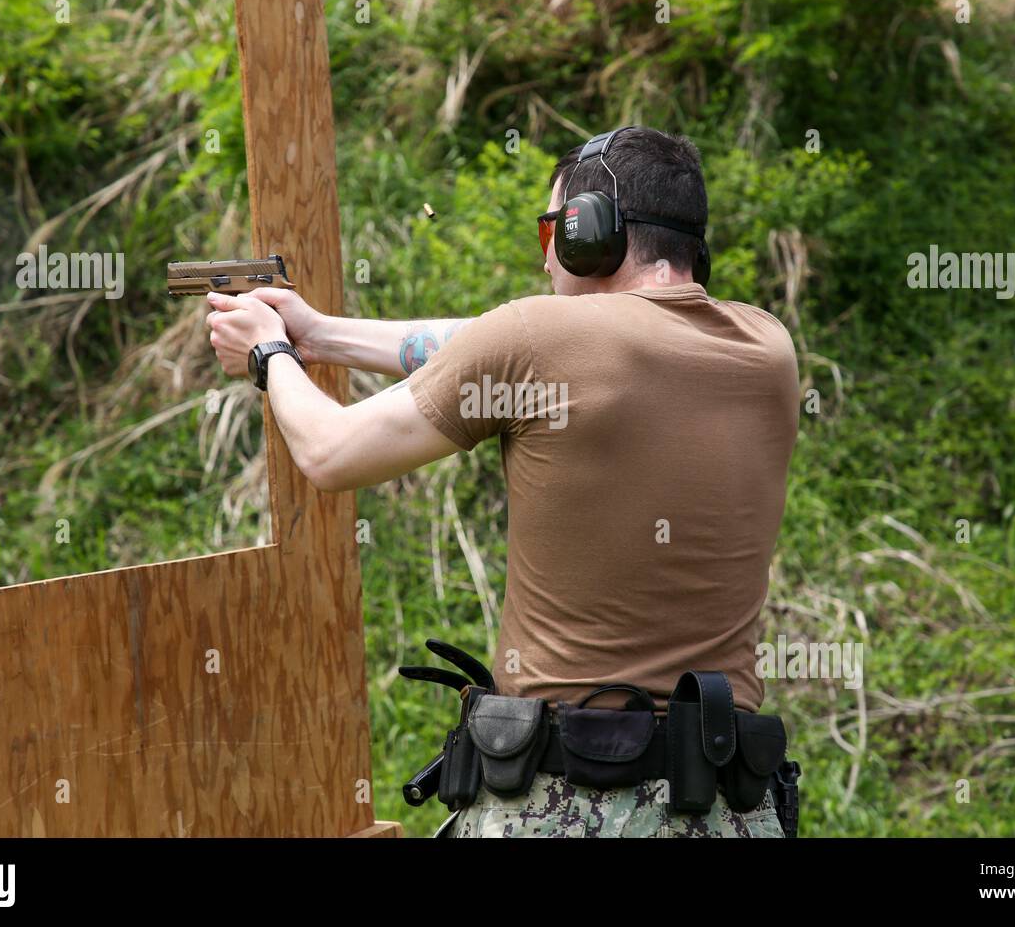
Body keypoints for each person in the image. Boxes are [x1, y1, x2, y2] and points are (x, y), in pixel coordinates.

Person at [203, 125, 800, 837]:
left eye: (551, 233)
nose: (547, 261)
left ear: (589, 235)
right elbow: (493, 343)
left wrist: (267, 355)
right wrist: (320, 333)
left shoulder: (537, 342)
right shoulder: (767, 347)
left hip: (570, 807)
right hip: (734, 809)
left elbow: (331, 452)